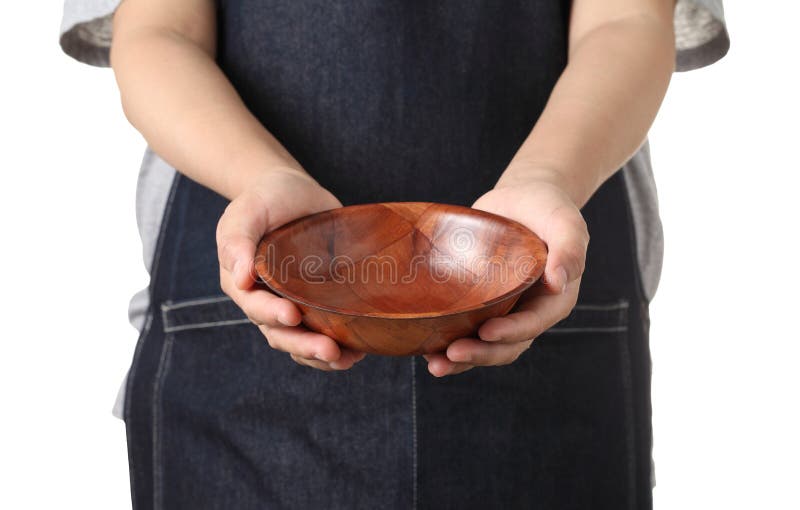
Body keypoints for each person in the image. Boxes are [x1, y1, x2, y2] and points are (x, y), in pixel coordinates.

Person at [61, 1, 729, 508]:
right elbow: (158, 30)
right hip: (242, 321)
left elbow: (627, 20)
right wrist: (263, 180)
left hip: (543, 294)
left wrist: (547, 179)